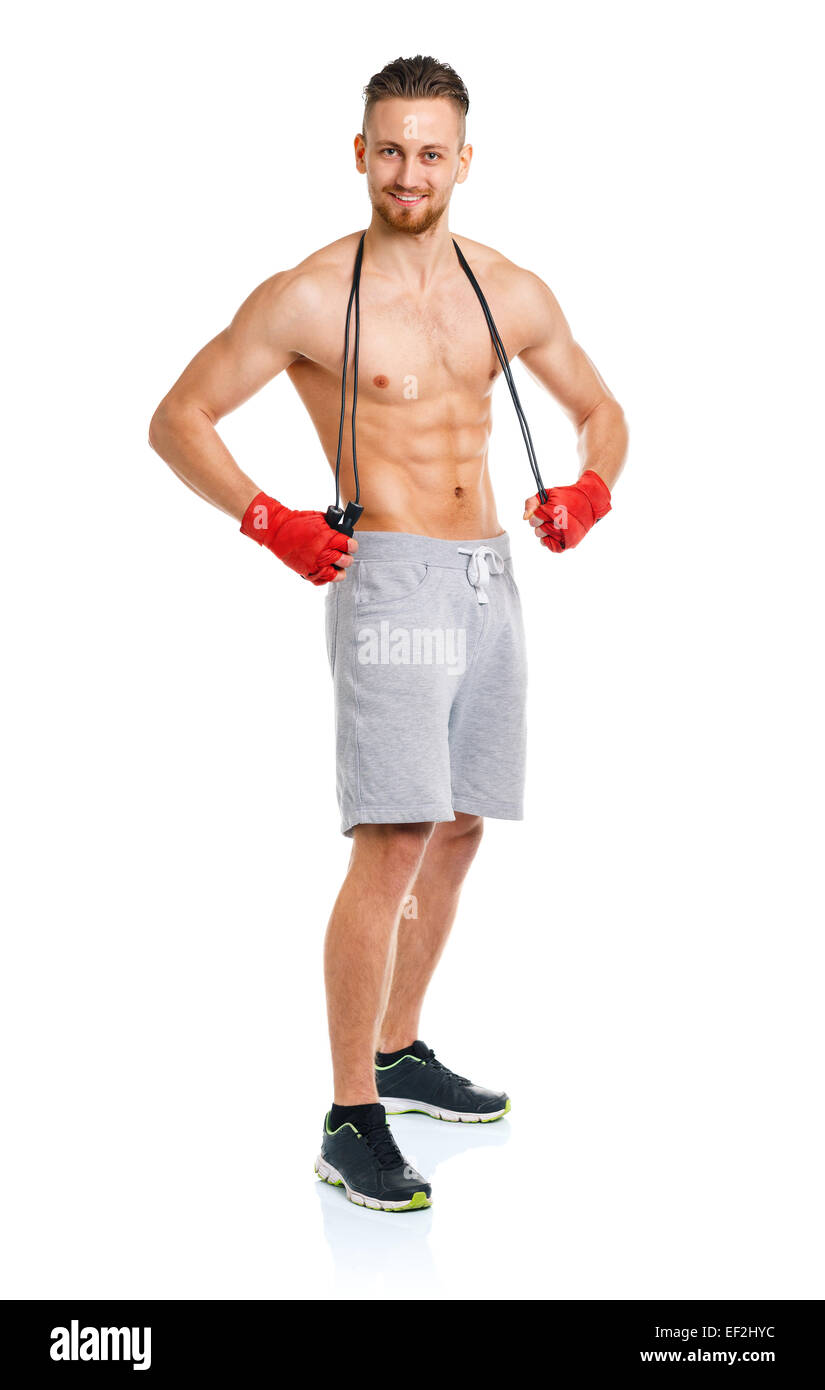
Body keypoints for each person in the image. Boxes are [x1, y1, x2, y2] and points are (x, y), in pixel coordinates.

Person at [148, 54, 629, 1213]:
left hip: (490, 577)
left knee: (460, 828)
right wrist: (273, 524)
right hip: (394, 581)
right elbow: (178, 418)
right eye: (390, 148)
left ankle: (401, 1051)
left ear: (464, 162)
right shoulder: (310, 295)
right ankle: (349, 1114)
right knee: (396, 833)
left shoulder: (510, 289)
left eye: (431, 151)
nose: (409, 171)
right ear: (358, 153)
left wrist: (590, 490)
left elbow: (601, 408)